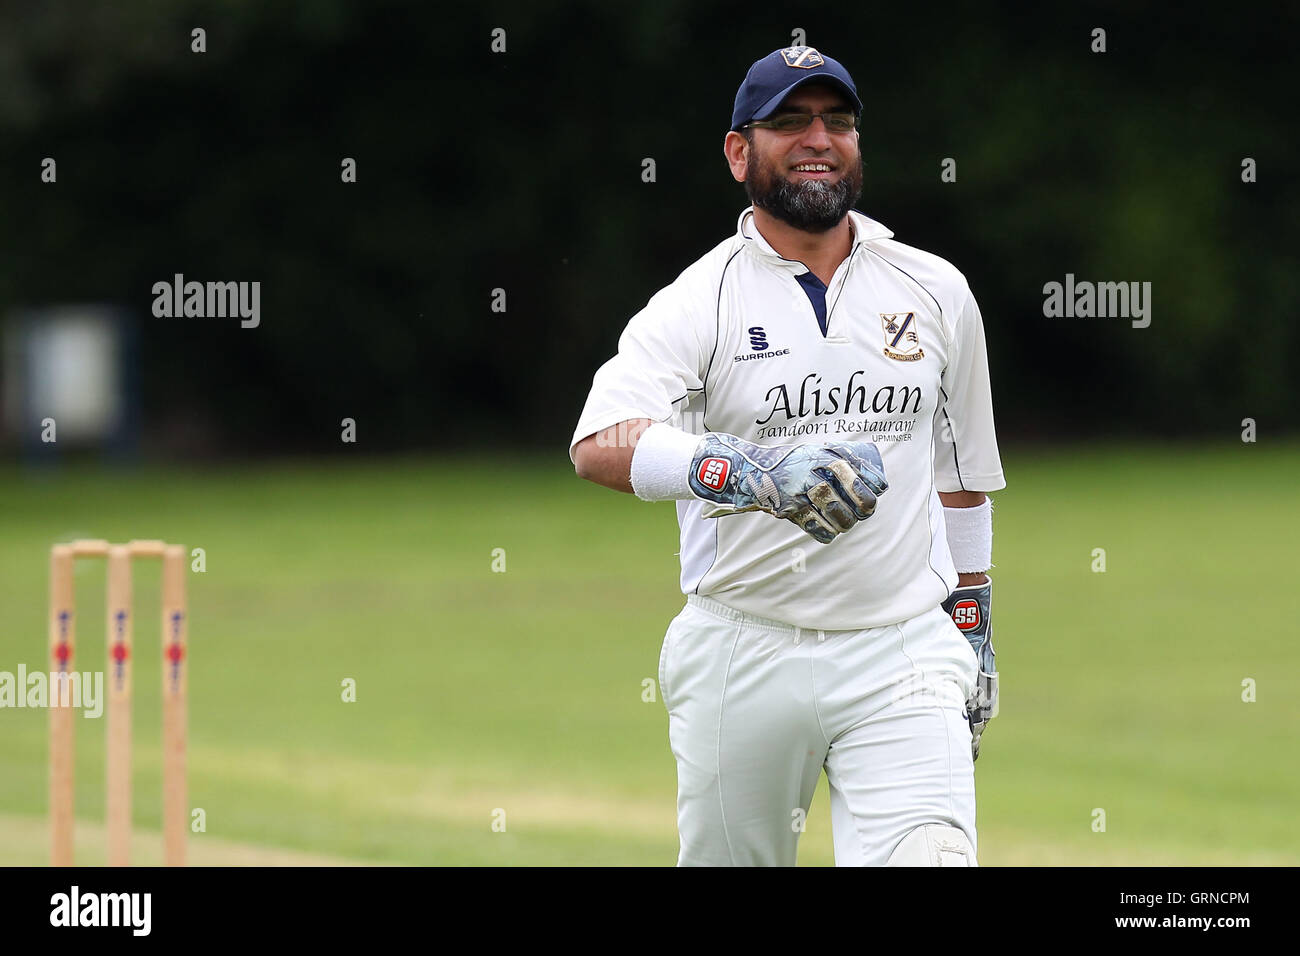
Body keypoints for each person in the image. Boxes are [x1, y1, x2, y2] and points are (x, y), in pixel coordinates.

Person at [569, 46, 1004, 867]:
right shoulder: (701, 298)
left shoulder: (935, 289)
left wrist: (973, 620)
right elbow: (599, 443)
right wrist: (752, 476)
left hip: (902, 649)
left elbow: (960, 475)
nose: (819, 139)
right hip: (744, 646)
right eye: (789, 122)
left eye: (837, 122)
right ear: (740, 152)